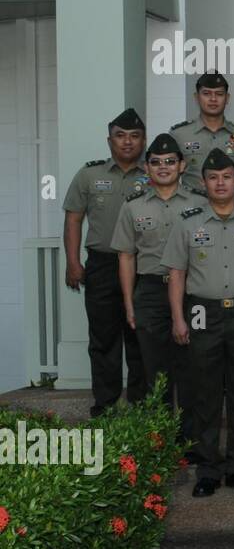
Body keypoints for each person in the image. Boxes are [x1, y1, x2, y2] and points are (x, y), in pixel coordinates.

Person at [163, 149, 234, 497]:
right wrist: (178, 318)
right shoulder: (189, 223)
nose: (220, 183)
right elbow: (176, 273)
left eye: (226, 177)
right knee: (205, 392)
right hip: (202, 313)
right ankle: (209, 469)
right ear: (203, 183)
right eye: (213, 177)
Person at [111, 133, 200, 442]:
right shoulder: (132, 208)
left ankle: (190, 442)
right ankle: (160, 441)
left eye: (170, 162)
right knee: (156, 371)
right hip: (149, 291)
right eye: (156, 162)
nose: (163, 167)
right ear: (146, 168)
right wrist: (129, 303)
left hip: (191, 292)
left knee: (190, 369)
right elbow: (126, 257)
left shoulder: (199, 204)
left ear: (182, 165)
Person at [63, 108, 149, 416]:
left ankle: (142, 404)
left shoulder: (154, 174)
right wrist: (73, 263)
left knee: (141, 338)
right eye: (120, 136)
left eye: (134, 136)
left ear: (144, 140)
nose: (127, 142)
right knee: (103, 337)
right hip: (101, 264)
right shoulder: (90, 175)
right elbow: (73, 219)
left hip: (143, 267)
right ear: (109, 140)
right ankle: (106, 403)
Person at [171, 71, 234, 188]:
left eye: (219, 94)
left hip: (231, 203)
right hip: (192, 204)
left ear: (227, 98)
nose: (213, 99)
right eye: (206, 93)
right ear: (196, 97)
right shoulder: (179, 135)